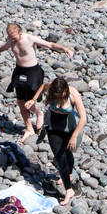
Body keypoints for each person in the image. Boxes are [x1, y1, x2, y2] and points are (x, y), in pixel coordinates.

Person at [0, 22, 74, 142]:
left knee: (30, 101)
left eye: (14, 37)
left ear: (20, 33)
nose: (12, 40)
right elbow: (3, 47)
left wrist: (64, 49)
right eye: (10, 37)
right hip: (19, 70)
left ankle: (39, 113)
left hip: (33, 71)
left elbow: (50, 45)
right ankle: (29, 128)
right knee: (21, 102)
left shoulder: (30, 38)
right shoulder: (11, 40)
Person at [43, 76, 86, 204]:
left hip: (69, 129)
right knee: (60, 156)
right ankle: (69, 190)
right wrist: (33, 99)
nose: (60, 97)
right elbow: (42, 86)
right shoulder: (50, 87)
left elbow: (83, 118)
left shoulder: (73, 94)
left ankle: (69, 174)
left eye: (62, 94)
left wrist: (74, 137)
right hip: (52, 128)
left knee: (67, 153)